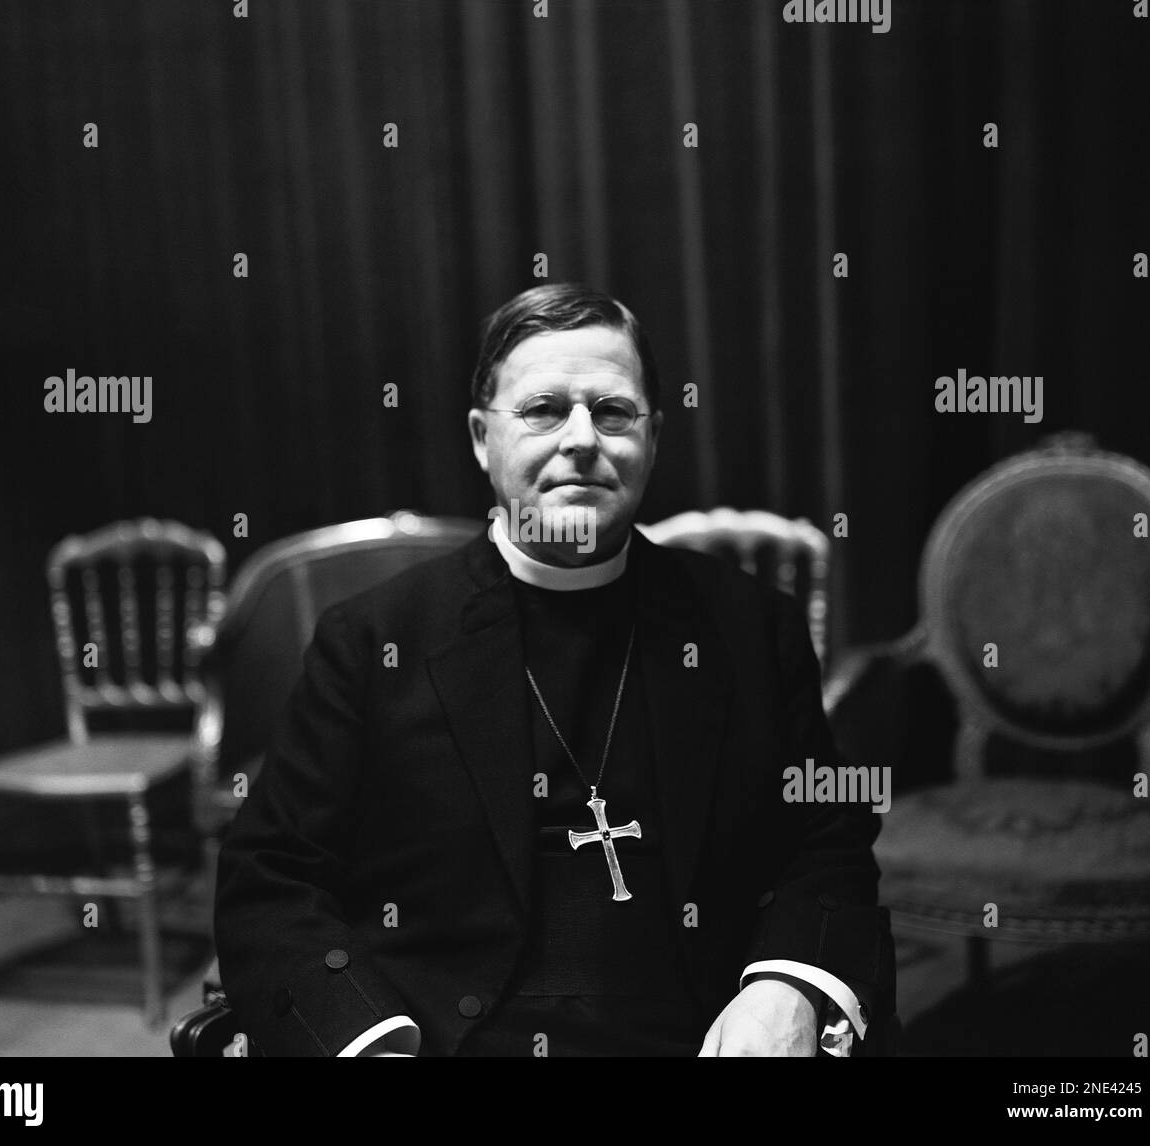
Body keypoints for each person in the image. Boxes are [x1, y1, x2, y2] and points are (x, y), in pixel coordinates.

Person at [214, 283, 895, 1057]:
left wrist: (789, 986)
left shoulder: (748, 627)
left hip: (705, 1033)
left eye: (613, 412)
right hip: (447, 1039)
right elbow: (271, 874)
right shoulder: (371, 641)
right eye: (543, 410)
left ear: (655, 436)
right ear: (481, 437)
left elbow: (827, 832)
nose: (582, 439)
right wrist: (366, 1041)